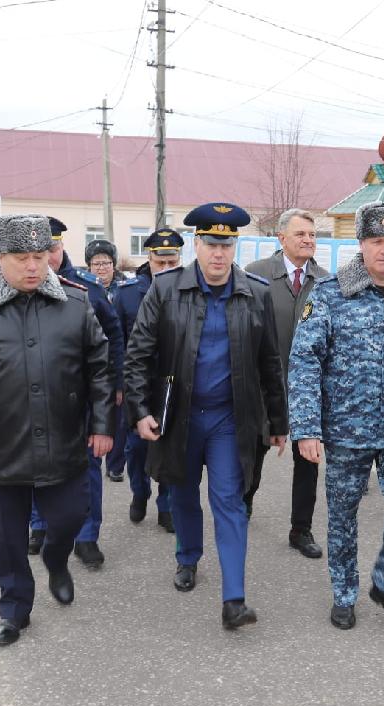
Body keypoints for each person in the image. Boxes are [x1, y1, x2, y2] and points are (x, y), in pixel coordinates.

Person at [0, 214, 115, 646]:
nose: (33, 266)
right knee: (7, 539)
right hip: (0, 445)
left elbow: (100, 370)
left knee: (69, 517)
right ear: (0, 257)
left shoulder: (75, 302)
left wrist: (103, 424)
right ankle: (14, 608)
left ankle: (56, 556)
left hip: (64, 441)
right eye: (22, 258)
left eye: (40, 256)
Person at [123, 202, 288, 630]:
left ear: (235, 247)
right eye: (212, 244)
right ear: (197, 244)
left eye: (227, 245)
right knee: (181, 493)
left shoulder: (256, 293)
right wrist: (140, 411)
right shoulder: (165, 289)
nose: (219, 254)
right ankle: (188, 557)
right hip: (179, 415)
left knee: (229, 501)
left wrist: (279, 422)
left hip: (229, 419)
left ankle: (234, 599)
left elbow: (270, 362)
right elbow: (138, 354)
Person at [289, 201, 384, 634]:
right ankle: (344, 593)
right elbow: (305, 362)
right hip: (345, 430)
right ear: (361, 244)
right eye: (377, 241)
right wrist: (306, 428)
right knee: (342, 515)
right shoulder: (331, 294)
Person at [24, 217, 124, 570]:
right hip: (32, 397)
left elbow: (114, 337)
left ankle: (86, 535)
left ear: (61, 246)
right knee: (35, 464)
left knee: (87, 469)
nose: (46, 258)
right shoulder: (20, 283)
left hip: (80, 397)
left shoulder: (86, 288)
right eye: (37, 251)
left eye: (51, 249)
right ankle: (38, 525)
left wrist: (116, 383)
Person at [243, 208, 329, 559]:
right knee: (255, 452)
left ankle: (301, 529)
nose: (308, 240)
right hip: (265, 387)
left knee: (308, 460)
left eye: (312, 235)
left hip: (309, 389)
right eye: (301, 234)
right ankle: (244, 503)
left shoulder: (325, 282)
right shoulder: (256, 275)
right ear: (281, 238)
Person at [116, 228, 184, 534]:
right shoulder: (128, 293)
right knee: (136, 448)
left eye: (173, 263)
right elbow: (116, 341)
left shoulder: (189, 291)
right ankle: (139, 491)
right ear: (150, 259)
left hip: (174, 383)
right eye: (161, 264)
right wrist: (121, 385)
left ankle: (166, 504)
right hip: (139, 382)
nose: (168, 269)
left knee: (170, 446)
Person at [85, 238, 127, 482]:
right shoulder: (85, 290)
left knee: (118, 420)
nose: (101, 268)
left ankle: (115, 464)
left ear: (114, 264)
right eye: (96, 263)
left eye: (106, 263)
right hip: (94, 365)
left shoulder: (125, 288)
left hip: (116, 363)